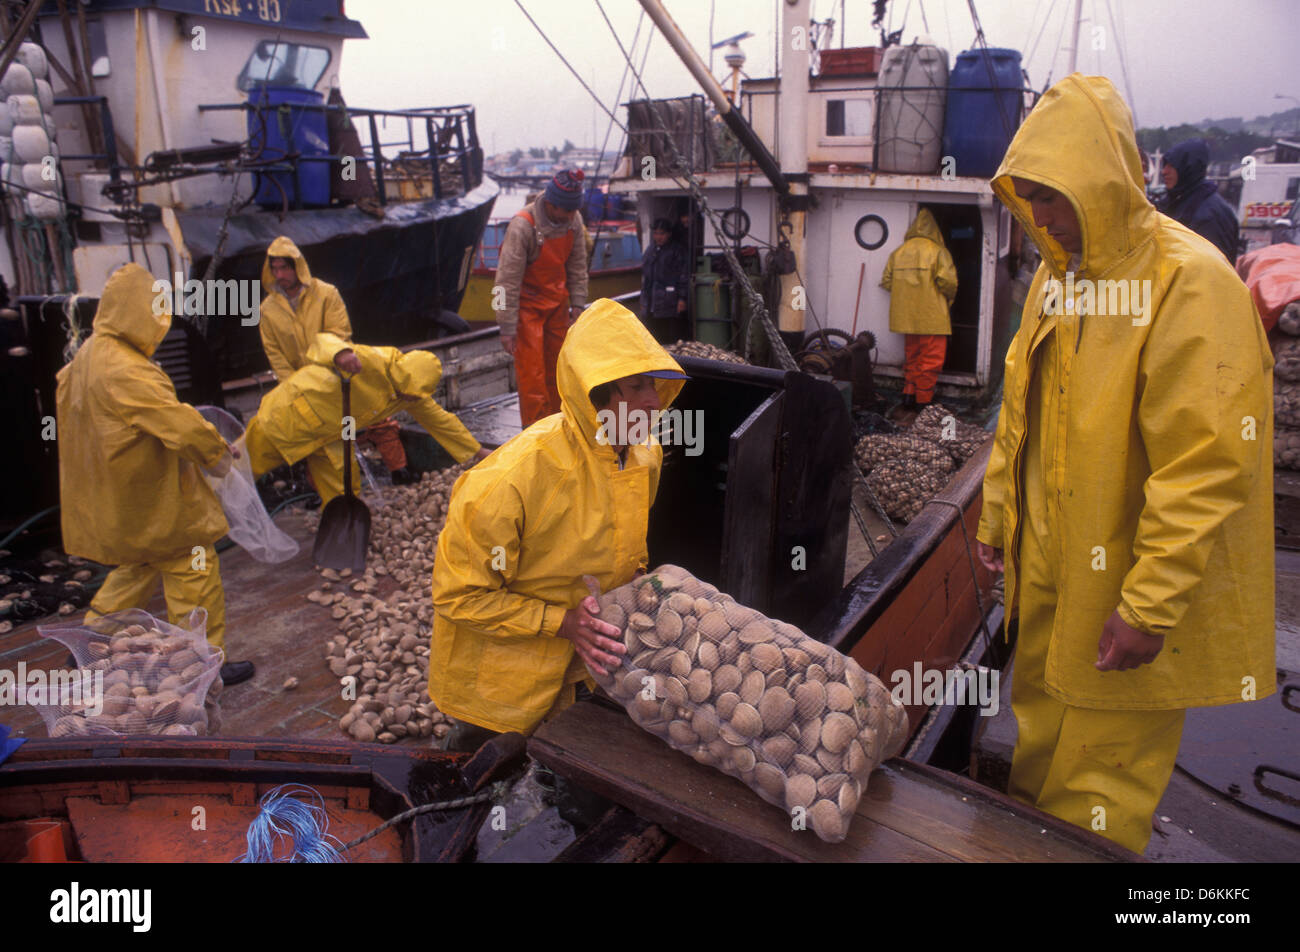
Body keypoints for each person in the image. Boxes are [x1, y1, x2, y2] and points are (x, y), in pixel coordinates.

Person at [976, 75, 1275, 855]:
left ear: (1104, 177)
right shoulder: (1055, 275)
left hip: (1123, 583)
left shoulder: (1191, 281)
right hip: (1045, 569)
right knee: (1040, 736)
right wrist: (997, 522)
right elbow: (1020, 411)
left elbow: (1206, 462)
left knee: (1103, 777)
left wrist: (1150, 605)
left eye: (1057, 196)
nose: (1043, 216)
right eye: (1031, 196)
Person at [428, 299, 686, 751]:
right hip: (500, 683)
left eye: (657, 386)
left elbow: (625, 543)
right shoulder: (510, 480)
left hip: (582, 666)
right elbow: (459, 595)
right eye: (636, 387)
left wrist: (637, 580)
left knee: (560, 779)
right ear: (594, 393)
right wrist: (562, 622)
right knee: (478, 774)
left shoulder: (645, 455)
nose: (653, 402)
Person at [56, 263, 255, 685]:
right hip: (155, 503)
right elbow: (178, 425)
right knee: (194, 570)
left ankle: (85, 648)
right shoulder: (127, 368)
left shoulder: (84, 359)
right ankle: (200, 667)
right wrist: (218, 453)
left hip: (117, 504)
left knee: (135, 567)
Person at [243, 333, 488, 505]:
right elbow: (323, 340)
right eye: (405, 391)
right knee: (241, 468)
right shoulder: (371, 358)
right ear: (399, 374)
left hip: (329, 433)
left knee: (345, 486)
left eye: (412, 396)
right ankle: (212, 519)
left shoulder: (411, 394)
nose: (406, 398)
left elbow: (442, 423)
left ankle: (340, 537)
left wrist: (477, 452)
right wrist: (341, 353)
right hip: (287, 416)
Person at [259, 236, 417, 485]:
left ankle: (399, 469)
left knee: (377, 417)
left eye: (284, 267)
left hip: (339, 373)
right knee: (317, 439)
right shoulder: (267, 310)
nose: (280, 274)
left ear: (297, 267)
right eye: (275, 269)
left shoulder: (326, 293)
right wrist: (294, 388)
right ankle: (326, 490)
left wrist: (328, 371)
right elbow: (274, 354)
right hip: (303, 387)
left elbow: (339, 334)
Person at [493, 168, 590, 428]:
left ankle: (561, 427)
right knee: (532, 379)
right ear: (552, 205)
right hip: (527, 312)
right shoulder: (522, 225)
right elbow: (504, 282)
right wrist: (506, 326)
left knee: (559, 371)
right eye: (567, 211)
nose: (571, 216)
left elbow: (578, 266)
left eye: (573, 211)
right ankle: (535, 435)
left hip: (558, 305)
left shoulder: (574, 221)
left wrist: (578, 304)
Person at [880, 208, 957, 414]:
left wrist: (906, 294)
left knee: (912, 357)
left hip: (905, 318)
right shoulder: (938, 251)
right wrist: (947, 300)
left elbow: (887, 282)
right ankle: (923, 402)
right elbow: (948, 283)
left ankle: (908, 395)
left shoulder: (898, 252)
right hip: (932, 317)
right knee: (930, 361)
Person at [1160, 138, 1240, 264]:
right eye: (1164, 165)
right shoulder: (1181, 202)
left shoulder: (1210, 216)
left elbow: (1212, 269)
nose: (1164, 171)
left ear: (1188, 167)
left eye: (1172, 165)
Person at [640, 217, 691, 338]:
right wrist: (643, 300)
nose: (658, 237)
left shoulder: (677, 251)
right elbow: (645, 277)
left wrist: (682, 299)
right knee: (652, 333)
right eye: (656, 233)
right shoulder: (650, 250)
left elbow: (683, 276)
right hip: (651, 302)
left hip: (670, 302)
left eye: (662, 234)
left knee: (669, 334)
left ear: (669, 234)